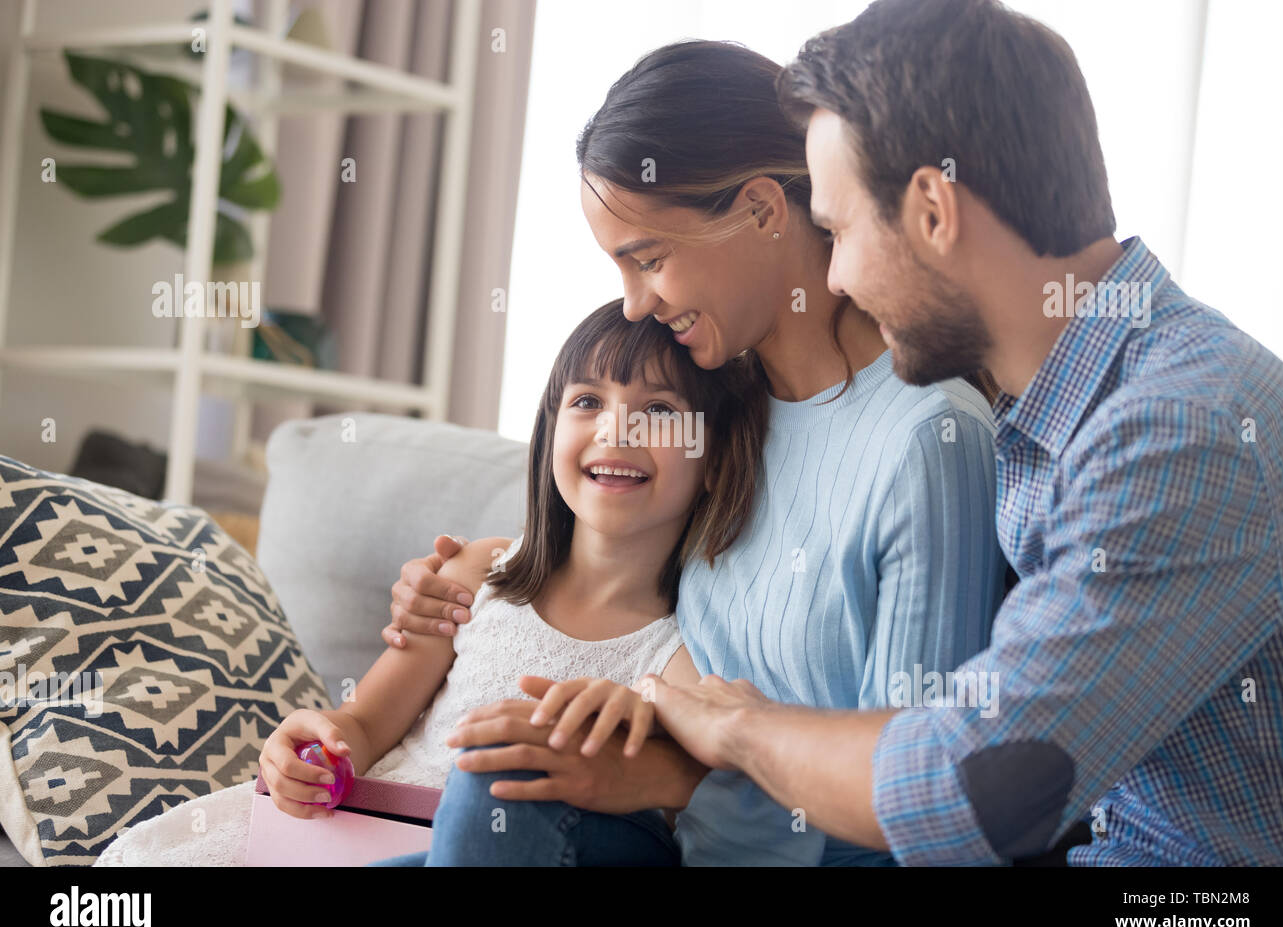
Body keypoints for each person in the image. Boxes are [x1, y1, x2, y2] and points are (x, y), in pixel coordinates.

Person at [629, 0, 1283, 866]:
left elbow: (966, 792)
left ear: (934, 211)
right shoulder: (1070, 404)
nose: (831, 275)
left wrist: (738, 728)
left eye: (836, 233)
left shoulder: (1177, 431)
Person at [385, 40, 1007, 865]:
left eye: (649, 258)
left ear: (760, 210)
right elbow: (591, 559)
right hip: (668, 845)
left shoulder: (928, 441)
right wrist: (454, 588)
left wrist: (676, 778)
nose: (635, 301)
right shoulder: (714, 410)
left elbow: (919, 803)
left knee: (491, 784)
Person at [94, 298, 763, 866]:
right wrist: (313, 749)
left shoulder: (680, 654)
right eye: (587, 400)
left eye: (658, 409)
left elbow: (690, 816)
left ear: (712, 460)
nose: (616, 428)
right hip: (367, 825)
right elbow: (364, 722)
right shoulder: (478, 573)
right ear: (550, 430)